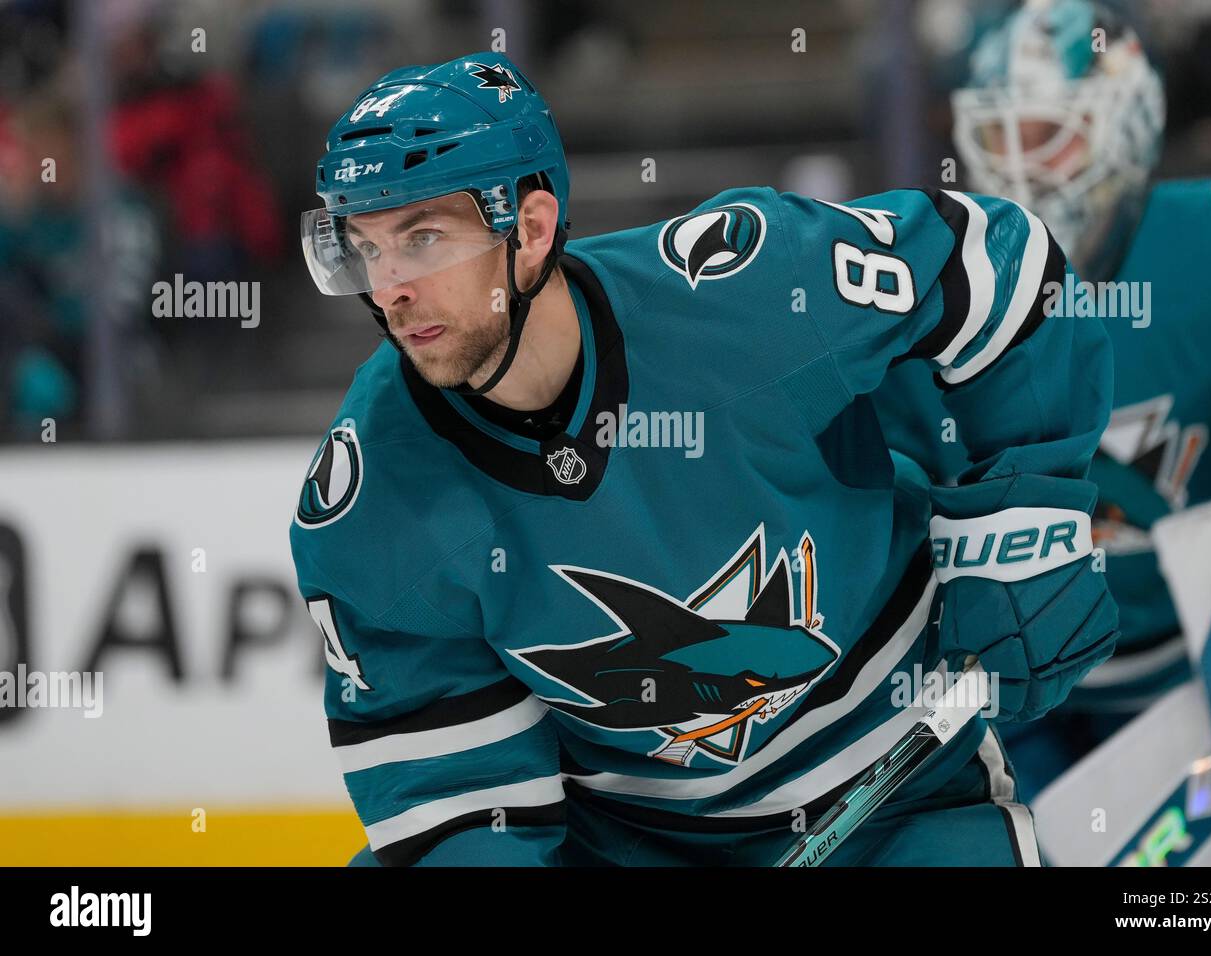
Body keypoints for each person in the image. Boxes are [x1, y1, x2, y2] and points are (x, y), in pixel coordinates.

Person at [289, 52, 1117, 866]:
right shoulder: (371, 504)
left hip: (901, 788)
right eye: (363, 246)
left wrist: (1027, 511)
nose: (388, 285)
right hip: (629, 845)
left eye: (422, 238)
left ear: (530, 229)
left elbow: (1003, 273)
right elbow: (460, 810)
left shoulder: (744, 291)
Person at [875, 0, 1211, 803]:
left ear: (1126, 122)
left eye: (1050, 134)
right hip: (1002, 696)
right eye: (1001, 138)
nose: (1023, 171)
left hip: (1207, 677)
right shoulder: (930, 283)